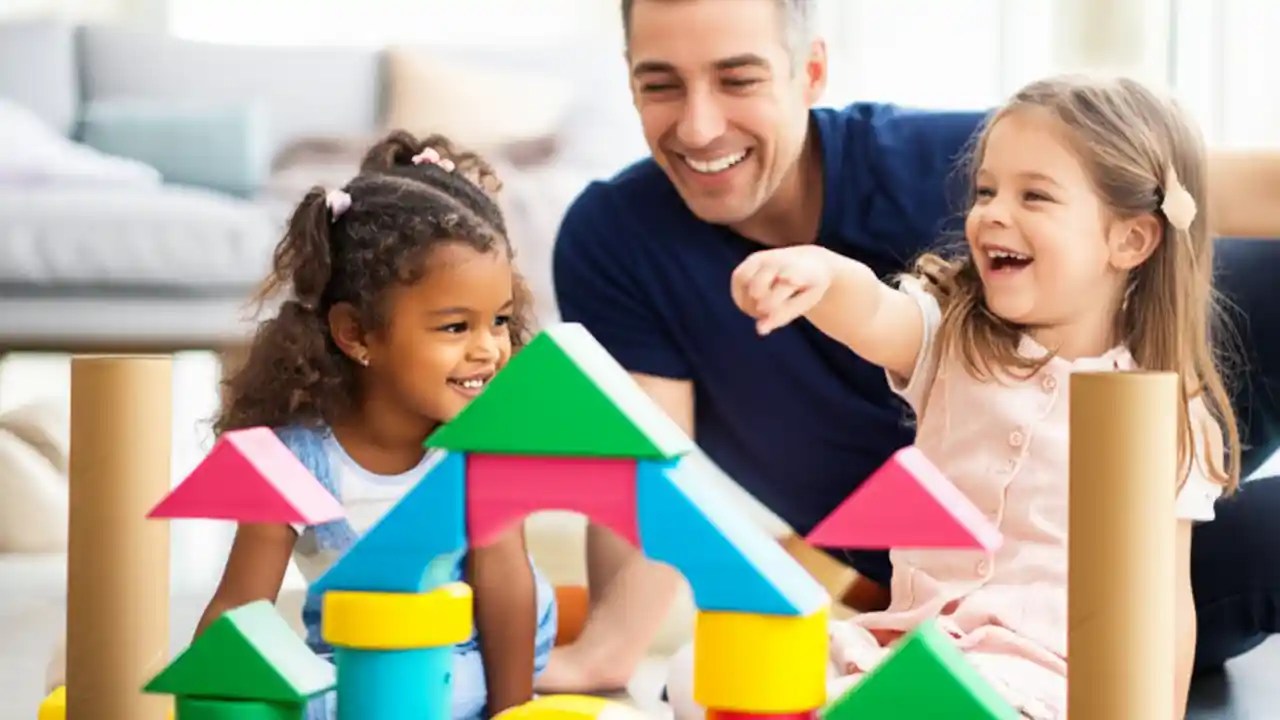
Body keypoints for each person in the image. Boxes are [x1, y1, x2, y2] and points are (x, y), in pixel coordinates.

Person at [545, 0, 1280, 696]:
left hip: (1086, 579)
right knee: (724, 670)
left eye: (737, 78)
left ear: (810, 73)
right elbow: (652, 456)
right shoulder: (620, 240)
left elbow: (1170, 188)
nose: (700, 126)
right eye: (661, 84)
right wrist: (609, 649)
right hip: (935, 606)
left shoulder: (958, 156)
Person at [669, 73, 1229, 720]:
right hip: (904, 642)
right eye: (986, 190)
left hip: (1036, 681)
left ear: (1129, 239)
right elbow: (875, 312)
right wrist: (818, 273)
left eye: (1035, 196)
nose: (993, 211)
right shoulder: (954, 340)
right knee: (701, 673)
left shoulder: (1159, 411)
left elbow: (1166, 602)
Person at [197, 130, 556, 720]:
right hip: (352, 656)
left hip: (470, 650)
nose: (490, 349)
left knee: (425, 700)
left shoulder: (480, 448)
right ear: (357, 334)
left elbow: (506, 587)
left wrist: (512, 712)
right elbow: (239, 609)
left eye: (498, 320)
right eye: (454, 328)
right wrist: (203, 699)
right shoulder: (292, 461)